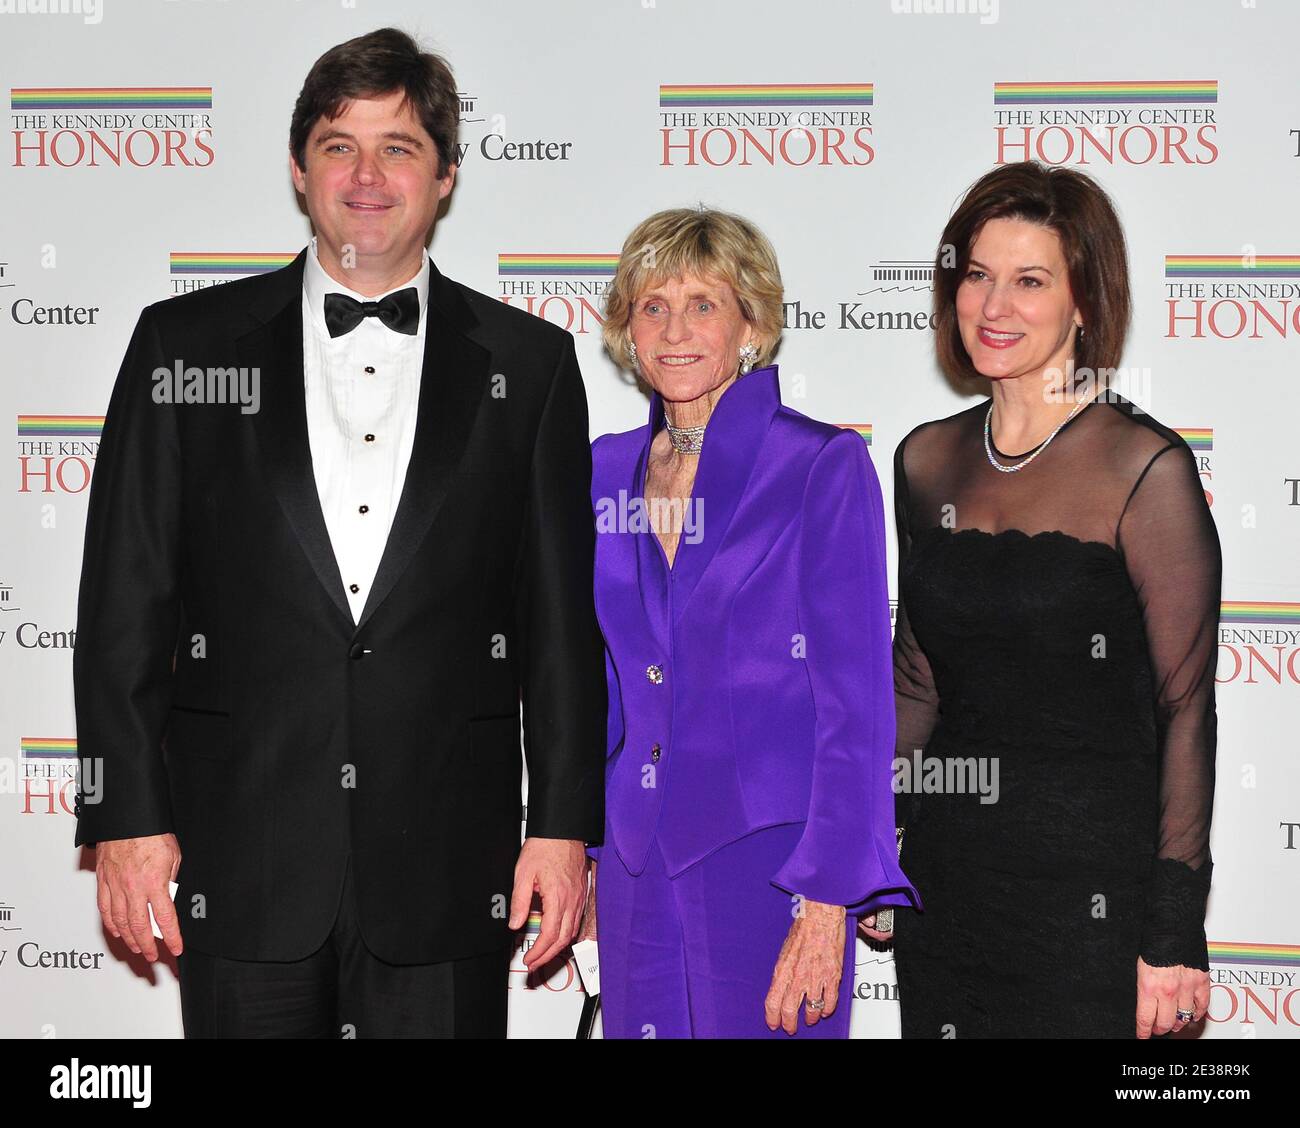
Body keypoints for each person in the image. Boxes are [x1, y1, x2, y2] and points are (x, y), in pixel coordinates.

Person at [71, 27, 605, 1038]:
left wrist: (565, 826)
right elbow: (123, 602)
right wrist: (127, 816)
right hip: (243, 852)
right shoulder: (183, 347)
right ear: (296, 168)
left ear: (445, 177)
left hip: (450, 859)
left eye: (399, 147)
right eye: (337, 145)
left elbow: (558, 626)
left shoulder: (529, 368)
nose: (367, 175)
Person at [881, 161, 1219, 1038]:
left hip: (1093, 902)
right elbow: (915, 684)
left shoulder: (1141, 467)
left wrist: (1174, 930)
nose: (995, 307)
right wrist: (873, 849)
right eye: (977, 276)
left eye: (1030, 281)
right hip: (949, 890)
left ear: (1082, 302)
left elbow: (1184, 707)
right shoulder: (925, 461)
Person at [578, 207, 917, 1038]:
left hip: (770, 864)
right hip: (632, 862)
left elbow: (856, 705)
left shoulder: (818, 466)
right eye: (652, 306)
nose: (674, 328)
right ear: (627, 329)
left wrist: (830, 897)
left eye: (703, 304)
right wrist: (584, 848)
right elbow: (599, 685)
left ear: (753, 325)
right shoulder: (601, 470)